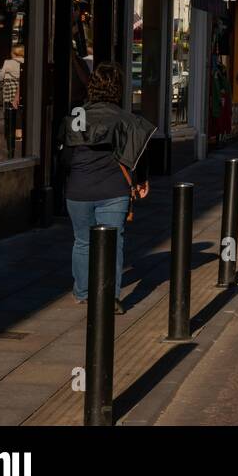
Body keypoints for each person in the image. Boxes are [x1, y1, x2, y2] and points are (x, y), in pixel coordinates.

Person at [60, 63, 154, 314]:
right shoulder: (125, 119)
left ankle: (83, 292)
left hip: (78, 189)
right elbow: (139, 153)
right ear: (118, 89)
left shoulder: (76, 116)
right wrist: (142, 180)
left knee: (82, 241)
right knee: (113, 242)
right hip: (113, 191)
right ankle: (109, 297)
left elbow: (65, 158)